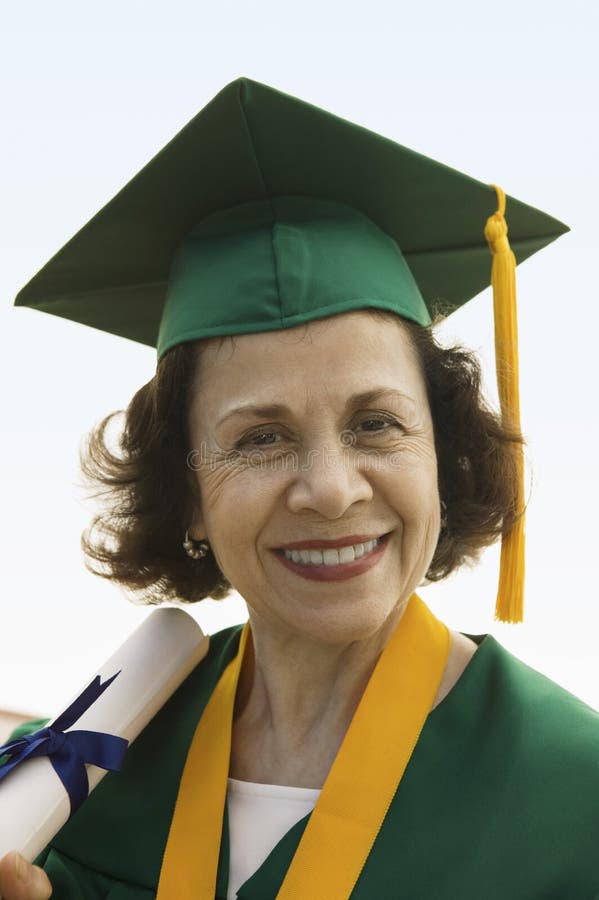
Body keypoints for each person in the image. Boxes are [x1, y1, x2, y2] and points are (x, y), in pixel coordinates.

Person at [1, 77, 597, 900]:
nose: (328, 489)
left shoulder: (573, 798)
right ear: (186, 494)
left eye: (375, 424)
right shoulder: (77, 779)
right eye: (260, 438)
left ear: (444, 452)